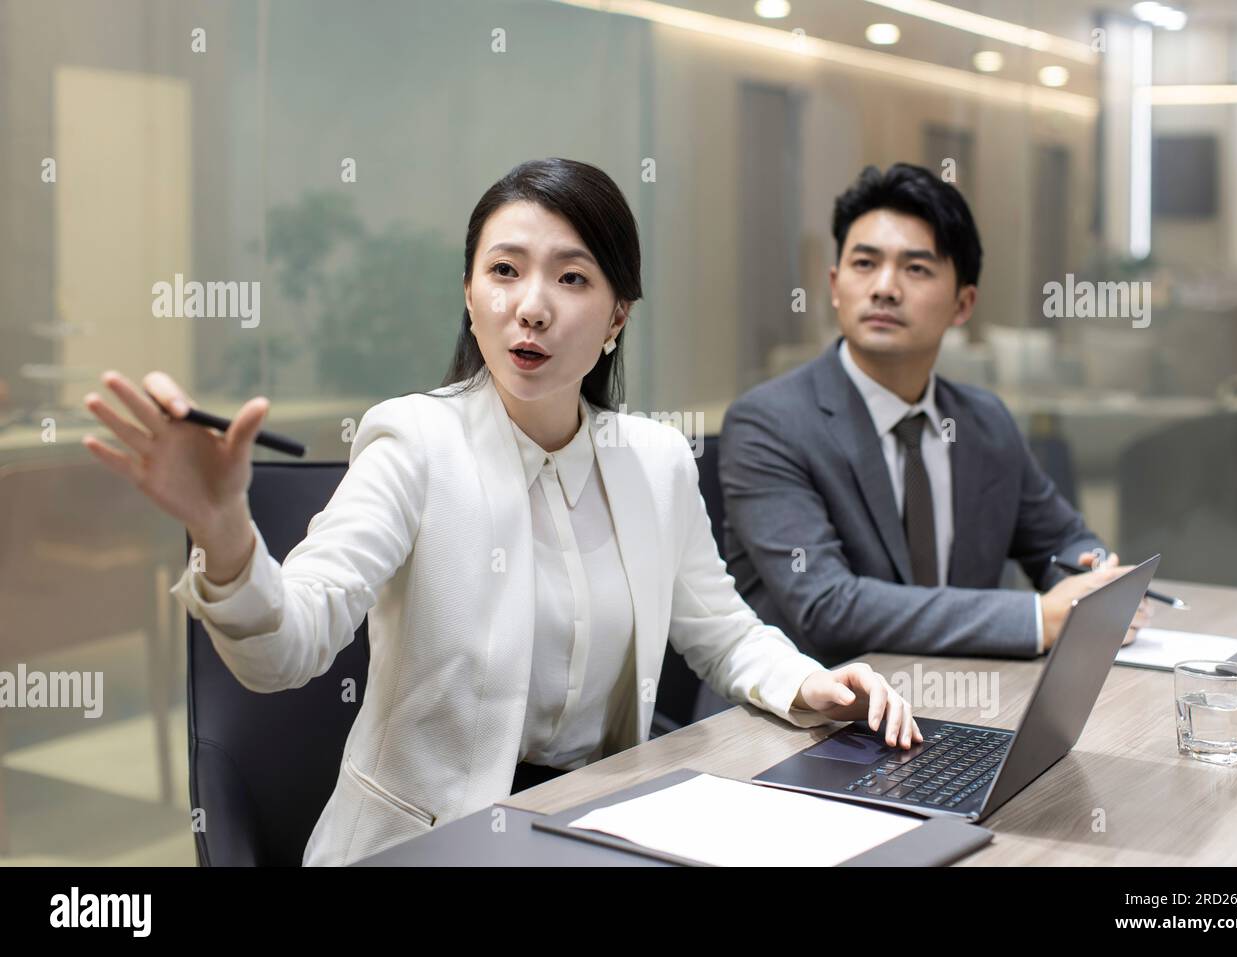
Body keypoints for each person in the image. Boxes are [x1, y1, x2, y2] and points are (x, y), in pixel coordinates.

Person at [82, 158, 921, 866]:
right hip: (429, 846)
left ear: (618, 316)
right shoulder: (412, 441)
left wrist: (813, 681)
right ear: (471, 294)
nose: (533, 305)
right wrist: (224, 531)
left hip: (598, 826)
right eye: (505, 269)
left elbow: (723, 631)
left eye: (573, 277)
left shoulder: (656, 461)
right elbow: (287, 648)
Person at [719, 162, 1150, 667]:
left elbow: (1060, 540)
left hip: (956, 708)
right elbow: (827, 606)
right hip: (791, 725)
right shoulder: (769, 423)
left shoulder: (983, 421)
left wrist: (1094, 578)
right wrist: (1038, 618)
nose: (884, 287)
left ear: (963, 304)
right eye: (864, 264)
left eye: (916, 268)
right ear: (835, 286)